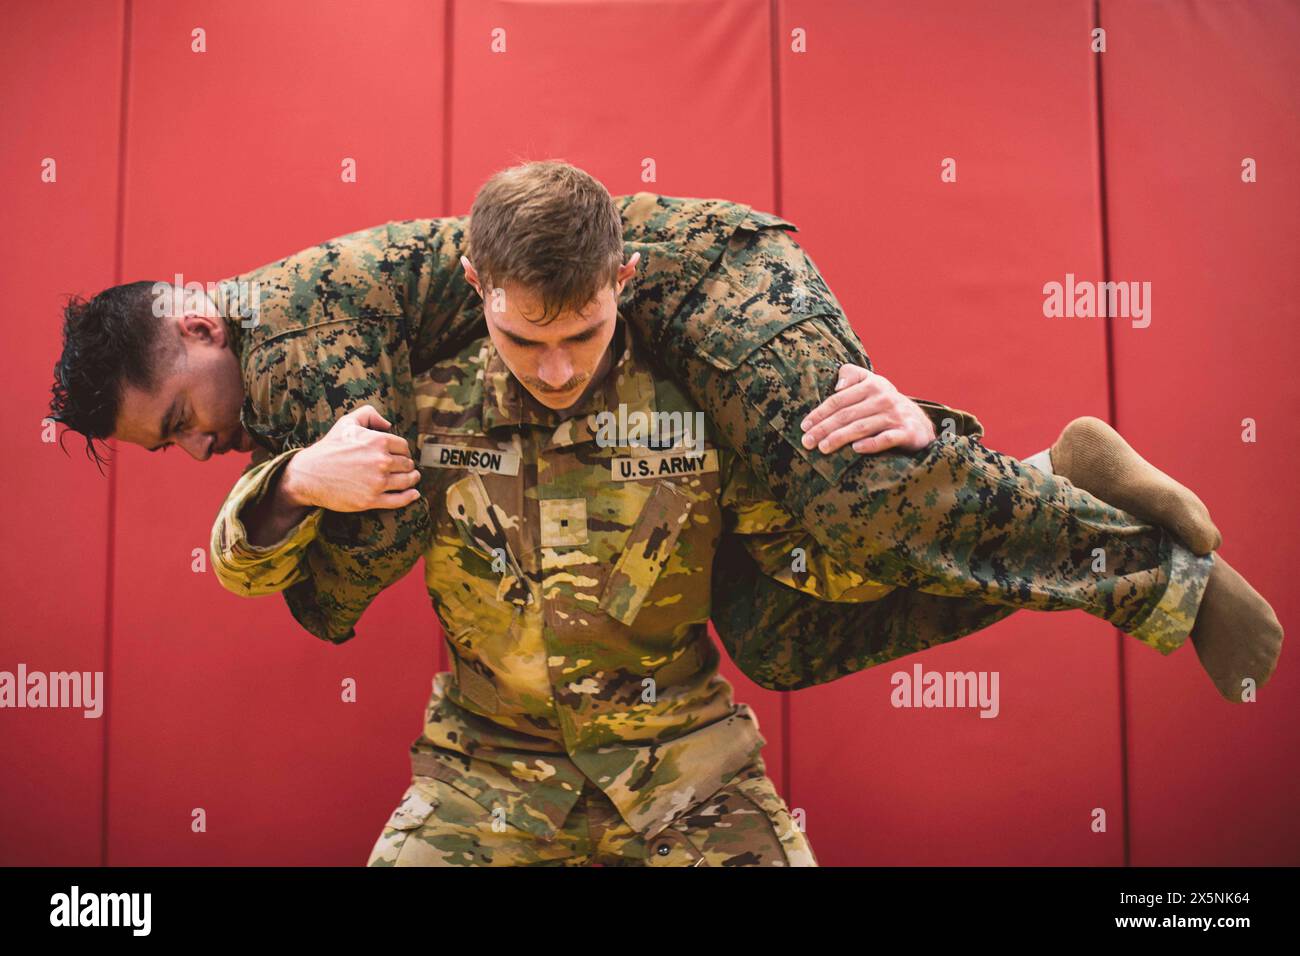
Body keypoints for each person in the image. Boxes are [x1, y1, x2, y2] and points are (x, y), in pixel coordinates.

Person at [48, 161, 1283, 700]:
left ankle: (1157, 579)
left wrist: (306, 544)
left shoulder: (296, 331)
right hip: (609, 363)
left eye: (180, 419)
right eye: (174, 450)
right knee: (779, 633)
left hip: (695, 284)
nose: (201, 446)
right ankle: (1047, 478)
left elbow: (357, 559)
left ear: (201, 327)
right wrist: (286, 496)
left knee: (847, 490)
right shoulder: (269, 383)